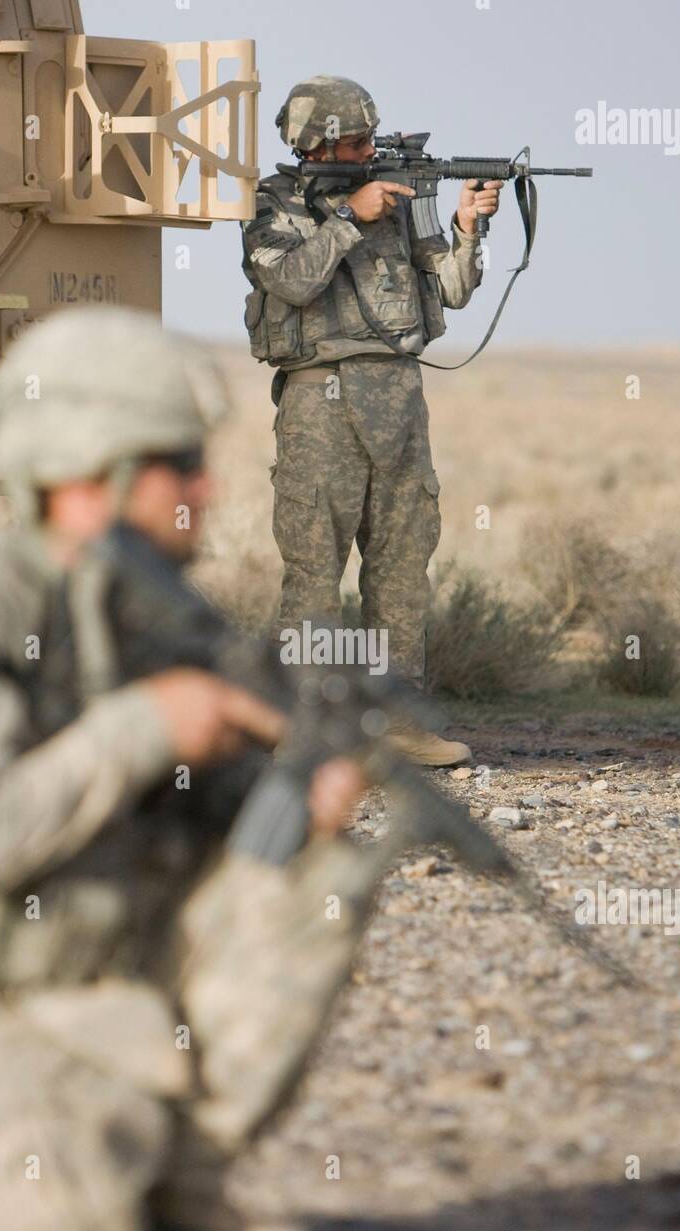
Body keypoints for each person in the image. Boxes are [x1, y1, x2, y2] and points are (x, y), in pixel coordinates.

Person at [0, 306, 385, 1231]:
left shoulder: (147, 618)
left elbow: (209, 828)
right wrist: (146, 725)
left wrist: (298, 791)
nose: (205, 488)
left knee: (315, 868)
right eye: (179, 462)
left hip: (97, 993)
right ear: (96, 467)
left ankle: (182, 1170)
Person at [242, 75, 501, 766]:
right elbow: (291, 280)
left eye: (368, 139)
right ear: (315, 144)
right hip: (317, 402)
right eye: (351, 143)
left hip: (398, 401)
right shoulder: (276, 202)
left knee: (400, 564)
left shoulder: (400, 195)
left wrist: (468, 228)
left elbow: (449, 286)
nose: (365, 152)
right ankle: (306, 725)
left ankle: (399, 724)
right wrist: (350, 217)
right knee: (314, 568)